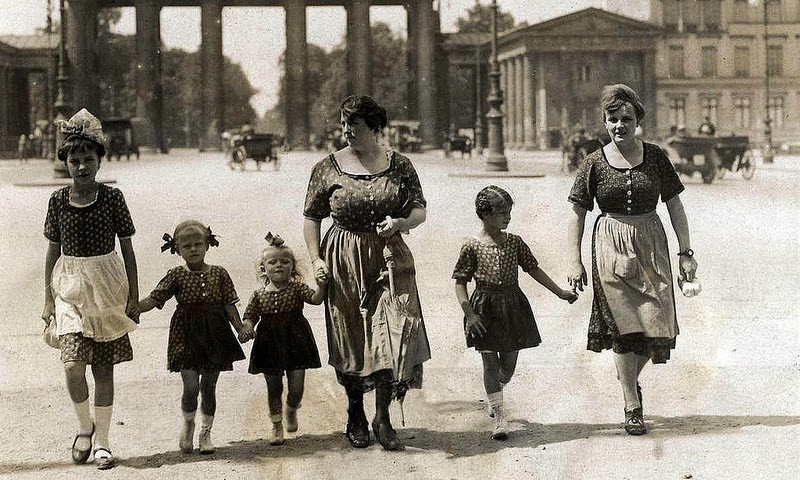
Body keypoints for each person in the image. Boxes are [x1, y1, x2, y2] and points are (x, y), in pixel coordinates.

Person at [566, 84, 698, 436]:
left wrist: (686, 253)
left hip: (651, 244)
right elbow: (577, 213)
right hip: (609, 244)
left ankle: (628, 379)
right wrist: (574, 261)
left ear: (638, 120)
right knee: (624, 327)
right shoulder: (593, 162)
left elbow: (675, 206)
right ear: (605, 122)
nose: (619, 125)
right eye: (613, 119)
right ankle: (631, 404)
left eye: (627, 118)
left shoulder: (655, 157)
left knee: (658, 324)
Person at [303, 95, 431, 451]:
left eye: (354, 126)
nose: (346, 132)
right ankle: (356, 412)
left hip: (389, 258)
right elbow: (312, 219)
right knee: (351, 340)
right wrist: (316, 260)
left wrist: (401, 222)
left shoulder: (400, 165)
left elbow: (420, 210)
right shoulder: (326, 167)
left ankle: (383, 416)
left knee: (392, 335)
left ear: (375, 128)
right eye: (343, 125)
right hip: (342, 259)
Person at [41, 108, 140, 470]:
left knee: (103, 369)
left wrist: (132, 294)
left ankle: (104, 441)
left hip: (107, 285)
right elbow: (52, 250)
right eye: (74, 160)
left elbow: (127, 247)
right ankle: (84, 428)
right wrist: (47, 299)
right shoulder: (57, 201)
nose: (82, 166)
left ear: (99, 161)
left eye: (88, 159)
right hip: (69, 286)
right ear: (65, 163)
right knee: (71, 365)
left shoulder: (113, 198)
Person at [453, 186, 578, 440]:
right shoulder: (471, 247)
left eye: (509, 212)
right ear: (484, 215)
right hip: (483, 311)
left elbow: (534, 270)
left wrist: (560, 292)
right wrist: (470, 315)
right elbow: (459, 283)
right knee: (489, 362)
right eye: (501, 213)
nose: (507, 217)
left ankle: (495, 391)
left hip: (512, 308)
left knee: (506, 369)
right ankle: (499, 414)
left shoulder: (515, 243)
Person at [138, 221, 247, 454]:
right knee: (190, 386)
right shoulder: (176, 275)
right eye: (187, 246)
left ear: (208, 244)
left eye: (198, 244)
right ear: (177, 249)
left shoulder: (220, 273)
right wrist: (134, 309)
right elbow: (155, 298)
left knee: (209, 386)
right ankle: (188, 424)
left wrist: (239, 328)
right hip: (185, 335)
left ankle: (206, 432)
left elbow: (229, 305)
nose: (193, 249)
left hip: (214, 335)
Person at [238, 233, 327, 446]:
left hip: (297, 341)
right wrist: (247, 329)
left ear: (292, 267)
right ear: (263, 268)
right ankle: (276, 425)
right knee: (274, 388)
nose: (279, 265)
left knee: (296, 388)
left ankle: (292, 408)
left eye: (285, 262)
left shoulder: (296, 288)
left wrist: (322, 286)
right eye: (273, 262)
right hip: (269, 345)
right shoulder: (259, 295)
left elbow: (316, 299)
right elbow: (249, 316)